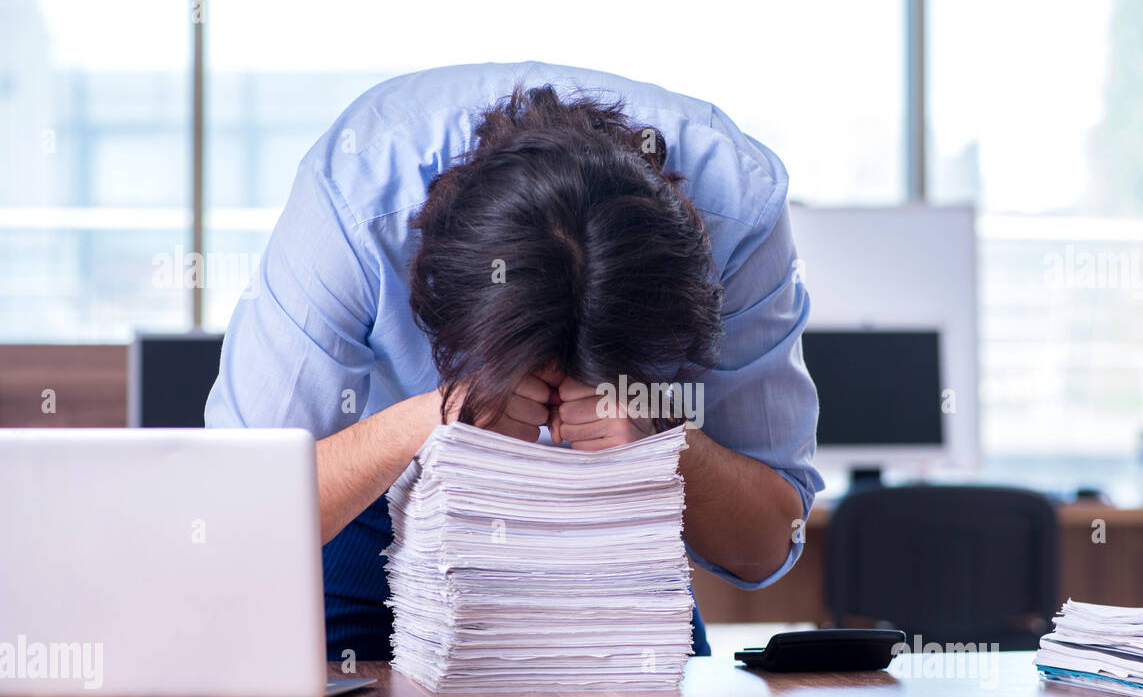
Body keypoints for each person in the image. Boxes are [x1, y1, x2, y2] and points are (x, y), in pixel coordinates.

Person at [205, 61, 823, 661]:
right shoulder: (356, 196)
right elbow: (235, 515)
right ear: (432, 280)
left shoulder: (742, 208)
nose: (553, 410)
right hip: (383, 497)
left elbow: (769, 547)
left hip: (613, 515)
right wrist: (425, 421)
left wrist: (666, 440)